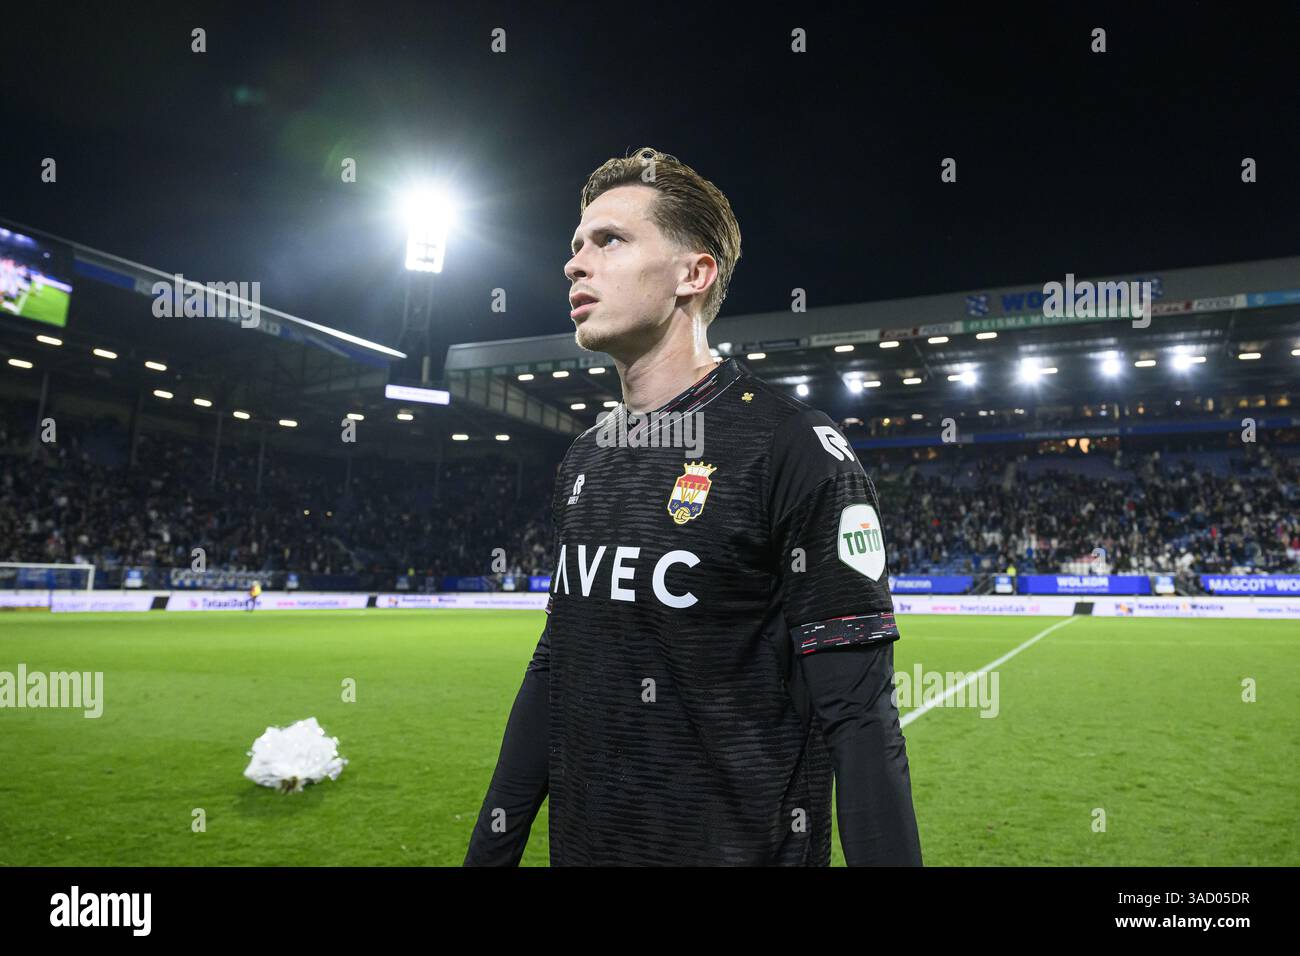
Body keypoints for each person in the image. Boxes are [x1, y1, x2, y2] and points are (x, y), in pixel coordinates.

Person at [464, 147, 921, 866]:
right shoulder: (586, 459)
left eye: (609, 240)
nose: (574, 263)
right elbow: (555, 666)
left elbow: (860, 720)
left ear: (693, 273)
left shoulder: (792, 447)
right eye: (576, 245)